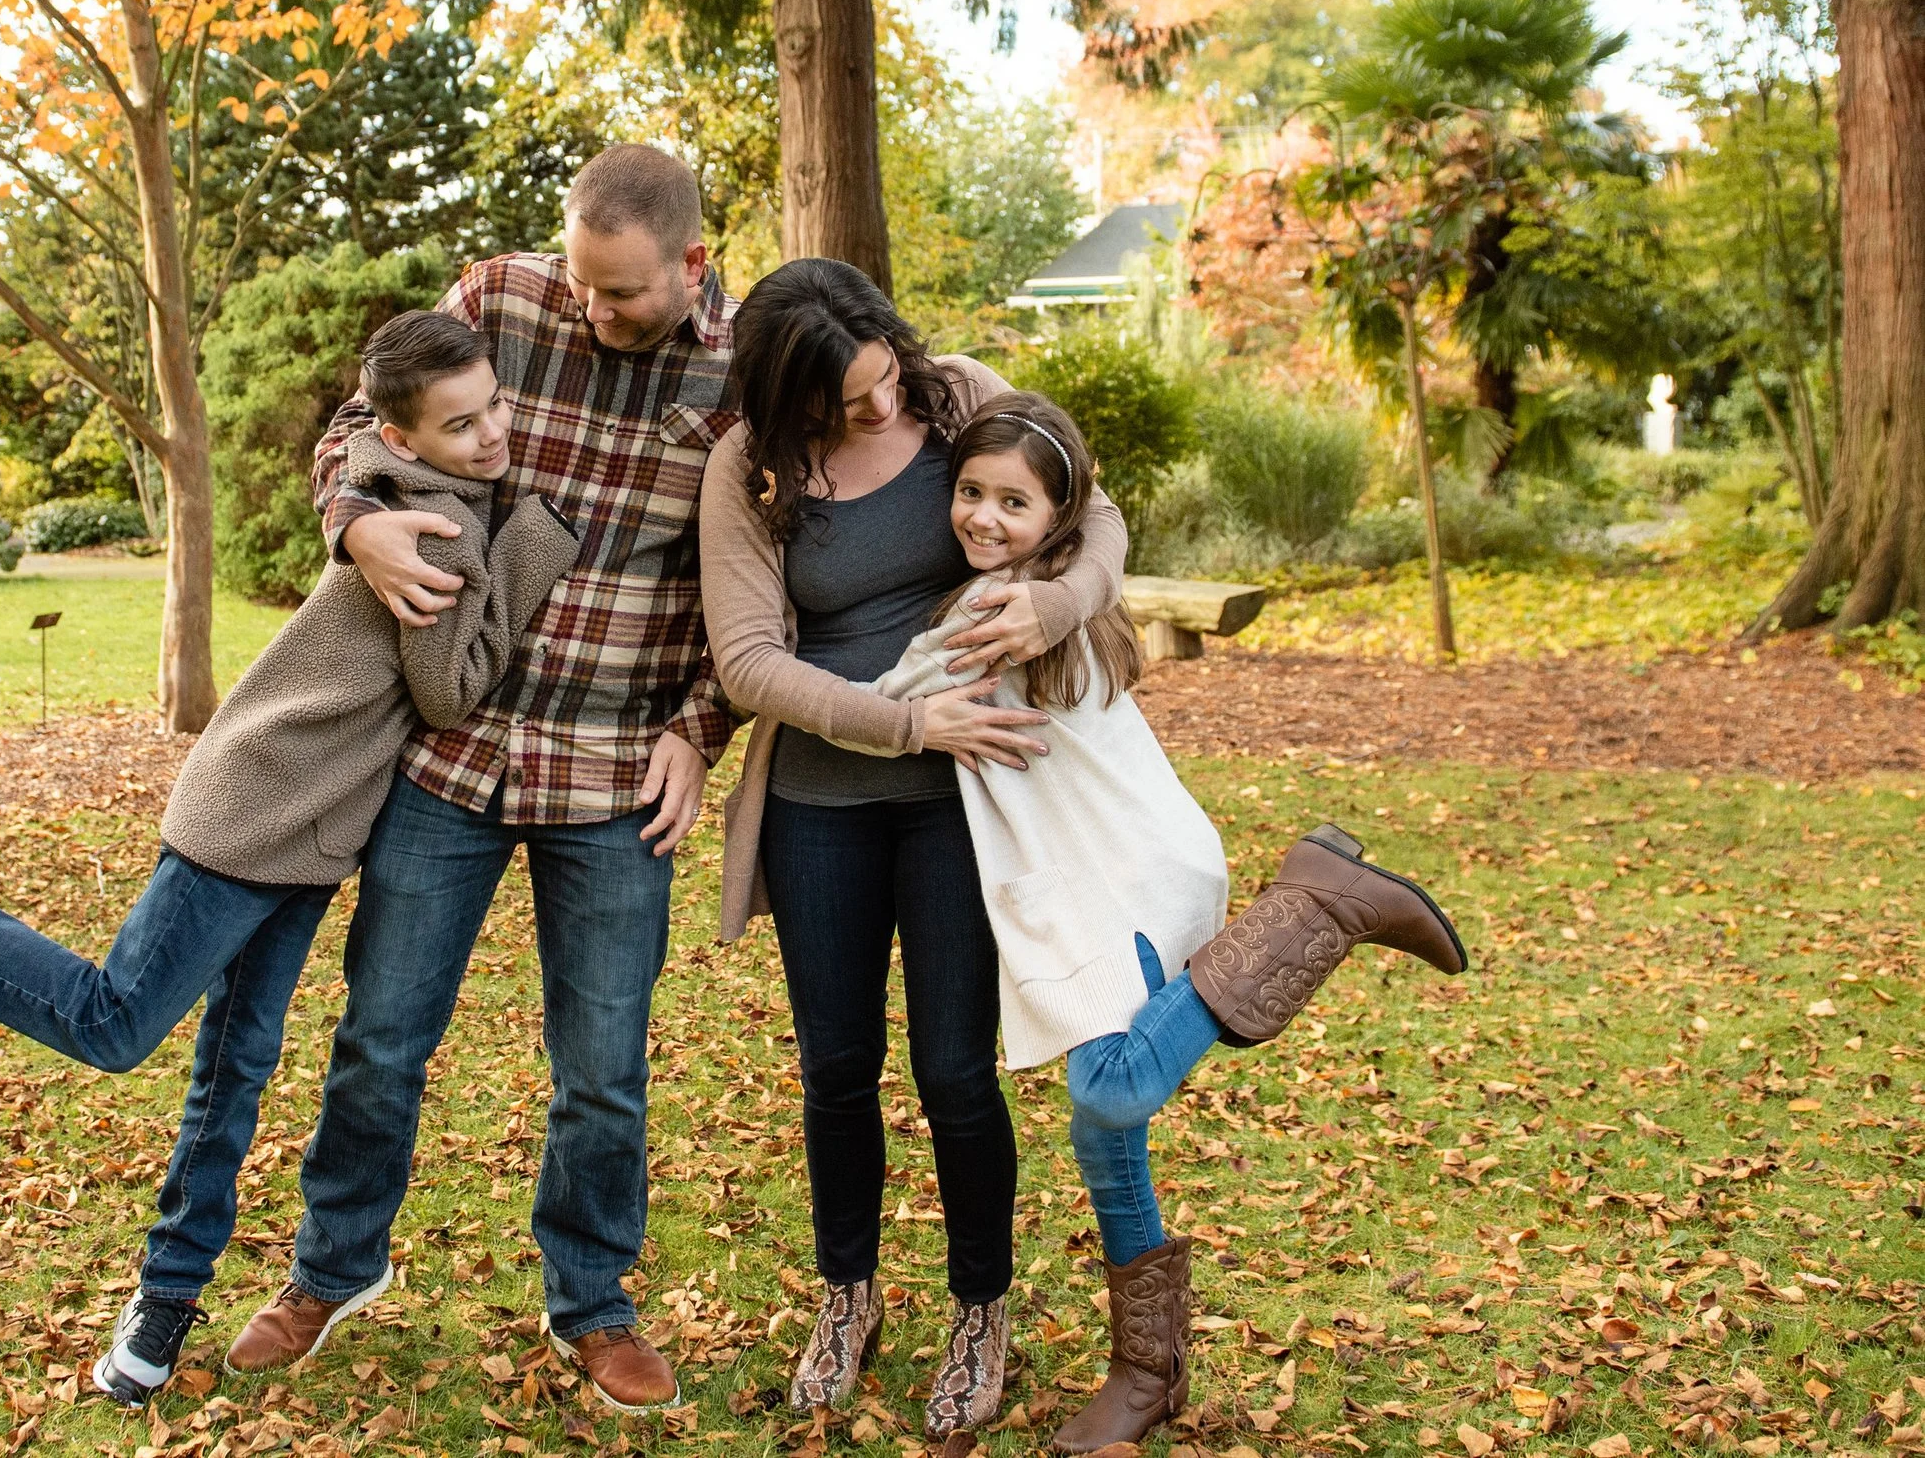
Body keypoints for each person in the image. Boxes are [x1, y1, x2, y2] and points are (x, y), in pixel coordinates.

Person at [0, 313, 581, 1407]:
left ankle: (166, 1298)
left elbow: (386, 555)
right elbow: (448, 690)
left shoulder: (397, 491)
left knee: (234, 1070)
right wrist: (533, 548)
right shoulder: (441, 528)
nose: (492, 435)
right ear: (402, 436)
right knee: (114, 1022)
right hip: (255, 812)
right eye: (461, 423)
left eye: (495, 407)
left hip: (305, 833)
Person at [834, 390, 1470, 1454]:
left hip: (1117, 879)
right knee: (1106, 1130)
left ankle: (1312, 906)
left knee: (1111, 1089)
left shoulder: (997, 611)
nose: (983, 516)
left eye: (1014, 502)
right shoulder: (1063, 596)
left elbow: (881, 706)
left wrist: (799, 678)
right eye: (970, 492)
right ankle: (1145, 1373)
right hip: (1105, 875)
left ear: (1061, 515)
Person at [222, 144, 736, 1413]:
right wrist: (356, 520)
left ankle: (593, 1300)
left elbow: (756, 576)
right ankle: (332, 1268)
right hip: (448, 751)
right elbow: (359, 428)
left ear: (692, 262)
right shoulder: (501, 298)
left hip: (615, 769)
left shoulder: (743, 374)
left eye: (623, 292)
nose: (593, 310)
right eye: (582, 282)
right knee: (381, 1038)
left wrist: (701, 724)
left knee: (602, 1066)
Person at [696, 258, 1137, 1441]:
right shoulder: (748, 468)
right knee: (836, 1067)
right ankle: (847, 1294)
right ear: (789, 396)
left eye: (884, 376)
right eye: (849, 402)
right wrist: (904, 723)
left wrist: (1060, 602)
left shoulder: (957, 394)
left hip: (963, 803)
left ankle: (980, 1310)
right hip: (821, 806)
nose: (882, 406)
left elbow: (1094, 513)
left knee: (954, 1071)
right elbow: (747, 662)